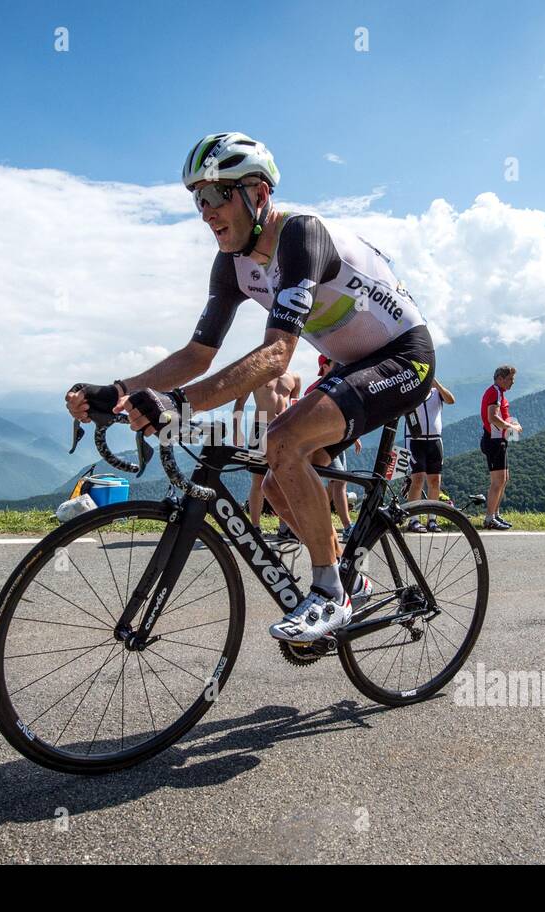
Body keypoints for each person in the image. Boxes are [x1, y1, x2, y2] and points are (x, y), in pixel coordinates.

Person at [66, 132, 435, 645]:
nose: (206, 211)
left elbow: (278, 354)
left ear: (258, 194)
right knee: (275, 472)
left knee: (282, 440)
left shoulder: (301, 236)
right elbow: (197, 355)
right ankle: (351, 578)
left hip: (404, 358)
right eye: (199, 199)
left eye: (218, 195)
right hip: (351, 364)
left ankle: (331, 593)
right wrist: (119, 390)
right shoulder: (232, 264)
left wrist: (178, 403)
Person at [232, 369, 300, 538]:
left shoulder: (294, 377)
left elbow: (297, 406)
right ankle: (255, 527)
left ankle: (285, 528)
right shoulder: (258, 373)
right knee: (258, 481)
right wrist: (236, 431)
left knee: (283, 480)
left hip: (284, 428)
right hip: (260, 428)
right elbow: (240, 403)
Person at [306, 356, 361, 543]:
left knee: (335, 484)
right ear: (326, 366)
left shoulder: (337, 385)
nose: (338, 368)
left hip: (340, 440)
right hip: (325, 443)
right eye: (333, 365)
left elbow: (344, 412)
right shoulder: (314, 389)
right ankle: (346, 527)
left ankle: (323, 523)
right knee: (339, 481)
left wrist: (354, 437)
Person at [403, 377, 455, 532]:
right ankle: (413, 520)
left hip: (435, 442)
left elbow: (451, 400)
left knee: (434, 481)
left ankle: (432, 520)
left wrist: (437, 385)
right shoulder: (412, 393)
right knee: (417, 480)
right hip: (415, 440)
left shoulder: (436, 393)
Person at [480, 365, 520, 530]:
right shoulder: (495, 391)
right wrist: (511, 428)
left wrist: (512, 422)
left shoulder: (499, 392)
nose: (512, 382)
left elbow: (500, 416)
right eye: (510, 379)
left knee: (504, 479)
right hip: (494, 440)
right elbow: (492, 417)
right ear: (500, 378)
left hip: (498, 440)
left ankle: (495, 515)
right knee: (497, 481)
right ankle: (489, 518)